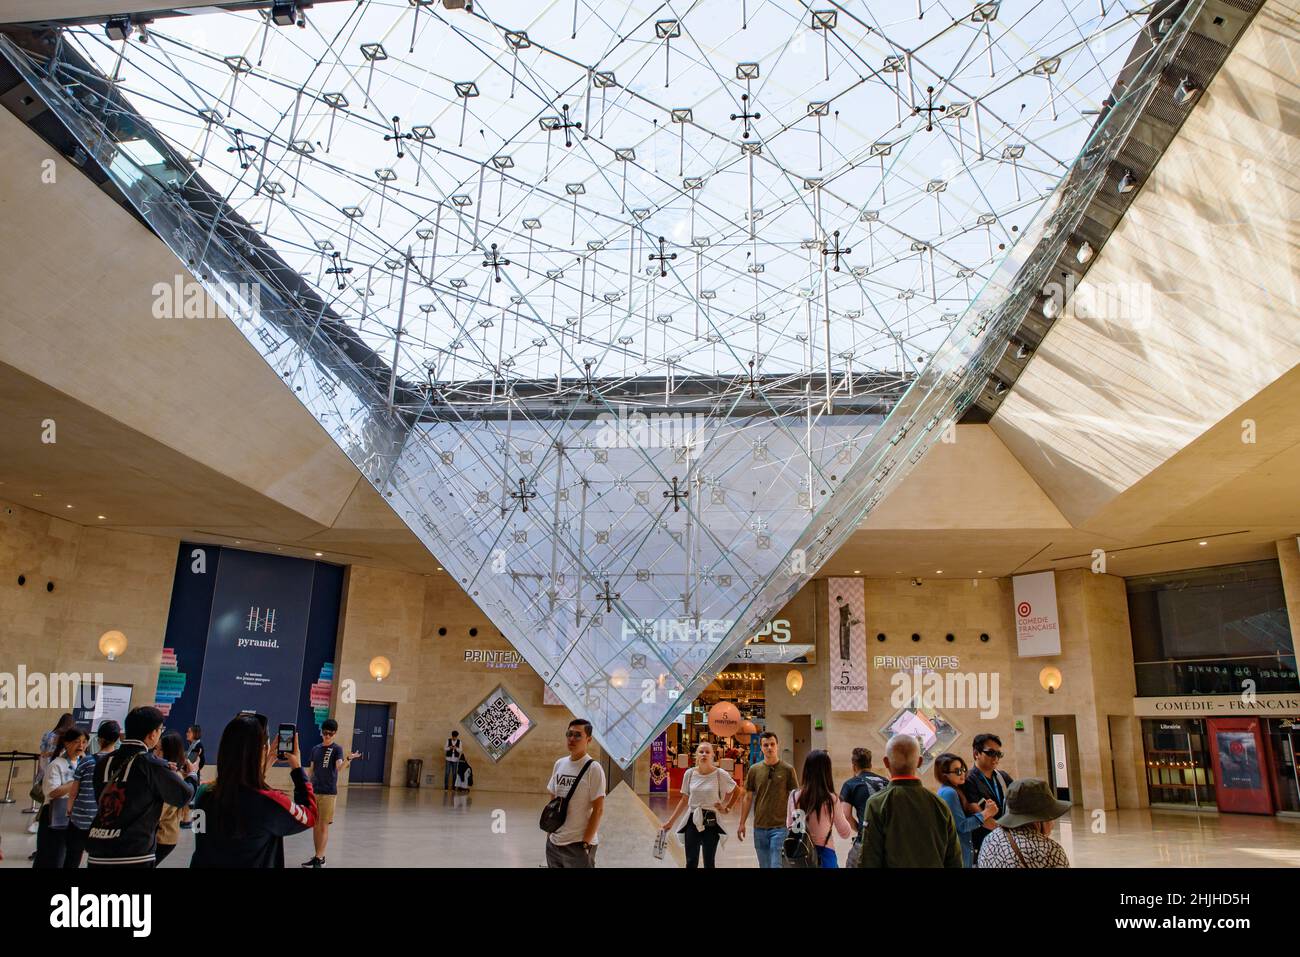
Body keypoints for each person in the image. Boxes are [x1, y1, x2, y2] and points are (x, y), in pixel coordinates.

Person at [191, 713, 317, 868]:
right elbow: (310, 815)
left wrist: (266, 761)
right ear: (263, 750)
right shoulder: (269, 803)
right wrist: (297, 769)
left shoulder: (203, 794)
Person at [85, 706, 195, 868]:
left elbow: (100, 797)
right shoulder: (151, 765)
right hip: (134, 853)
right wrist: (191, 776)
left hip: (98, 850)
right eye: (160, 730)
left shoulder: (103, 762)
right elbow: (184, 795)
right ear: (152, 734)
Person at [858, 734, 961, 868]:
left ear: (886, 762)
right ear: (919, 762)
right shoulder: (939, 804)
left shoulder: (877, 803)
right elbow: (954, 860)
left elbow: (869, 859)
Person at [660, 741, 739, 869]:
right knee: (691, 861)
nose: (704, 754)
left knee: (709, 861)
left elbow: (737, 790)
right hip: (692, 819)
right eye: (701, 752)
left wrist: (727, 808)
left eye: (707, 752)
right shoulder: (690, 773)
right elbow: (684, 799)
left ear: (713, 755)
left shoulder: (720, 774)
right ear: (696, 755)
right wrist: (670, 822)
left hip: (711, 821)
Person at [544, 718, 606, 868]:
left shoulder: (593, 768)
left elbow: (598, 810)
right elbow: (553, 799)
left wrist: (585, 843)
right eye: (569, 734)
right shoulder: (559, 764)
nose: (572, 738)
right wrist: (550, 834)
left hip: (578, 845)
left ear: (588, 739)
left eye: (578, 735)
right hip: (554, 843)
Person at [301, 718, 360, 868]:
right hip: (315, 791)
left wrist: (349, 759)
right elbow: (311, 771)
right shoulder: (315, 749)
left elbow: (339, 768)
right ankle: (317, 857)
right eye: (325, 733)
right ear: (322, 733)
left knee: (323, 826)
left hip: (328, 793)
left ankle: (320, 858)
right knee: (314, 825)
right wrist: (305, 786)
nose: (327, 736)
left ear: (335, 734)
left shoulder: (337, 749)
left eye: (330, 734)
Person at [976, 778, 1071, 868]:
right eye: (1051, 815)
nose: (1053, 823)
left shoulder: (990, 840)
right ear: (1040, 819)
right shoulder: (1050, 852)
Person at [738, 731, 798, 868]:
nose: (769, 747)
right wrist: (742, 823)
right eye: (766, 745)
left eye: (772, 744)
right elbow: (747, 797)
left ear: (777, 745)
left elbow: (794, 796)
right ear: (761, 747)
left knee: (776, 864)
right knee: (764, 865)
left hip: (780, 827)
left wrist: (795, 822)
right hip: (759, 827)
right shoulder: (754, 770)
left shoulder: (788, 770)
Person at [65, 720, 120, 868]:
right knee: (99, 857)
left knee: (73, 855)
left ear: (99, 739)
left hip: (81, 817)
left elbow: (74, 791)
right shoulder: (120, 763)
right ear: (117, 739)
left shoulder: (87, 761)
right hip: (105, 819)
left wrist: (69, 810)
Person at [786, 750, 852, 867]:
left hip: (800, 856)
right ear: (827, 772)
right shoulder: (832, 799)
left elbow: (790, 826)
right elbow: (845, 833)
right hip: (825, 856)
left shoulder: (794, 796)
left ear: (806, 770)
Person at [33, 727, 87, 868]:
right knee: (53, 858)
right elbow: (52, 792)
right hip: (55, 816)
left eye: (84, 742)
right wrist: (75, 783)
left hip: (75, 817)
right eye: (77, 742)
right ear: (66, 743)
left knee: (72, 858)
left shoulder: (83, 763)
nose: (81, 746)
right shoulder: (56, 765)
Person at [934, 752, 997, 867]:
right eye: (957, 771)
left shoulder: (952, 790)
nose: (962, 773)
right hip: (958, 855)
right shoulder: (949, 793)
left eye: (963, 769)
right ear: (945, 775)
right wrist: (986, 813)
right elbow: (962, 826)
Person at [962, 732, 1014, 864]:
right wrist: (1007, 833)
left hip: (1005, 842)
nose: (995, 757)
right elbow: (980, 817)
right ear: (976, 754)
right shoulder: (968, 780)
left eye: (998, 754)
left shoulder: (1003, 777)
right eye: (990, 753)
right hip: (983, 845)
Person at [154, 731, 199, 866]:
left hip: (162, 837)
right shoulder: (167, 772)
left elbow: (159, 812)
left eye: (160, 750)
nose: (156, 754)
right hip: (161, 835)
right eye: (156, 749)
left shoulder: (173, 777)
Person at [840, 747, 890, 868]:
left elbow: (845, 815)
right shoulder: (886, 781)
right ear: (870, 764)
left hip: (865, 840)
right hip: (886, 841)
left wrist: (858, 828)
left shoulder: (850, 784)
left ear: (854, 766)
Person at [30, 713, 77, 832]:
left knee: (48, 797)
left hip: (47, 766)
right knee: (53, 797)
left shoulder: (48, 734)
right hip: (63, 770)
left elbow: (43, 752)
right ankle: (40, 821)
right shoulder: (69, 737)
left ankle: (39, 821)